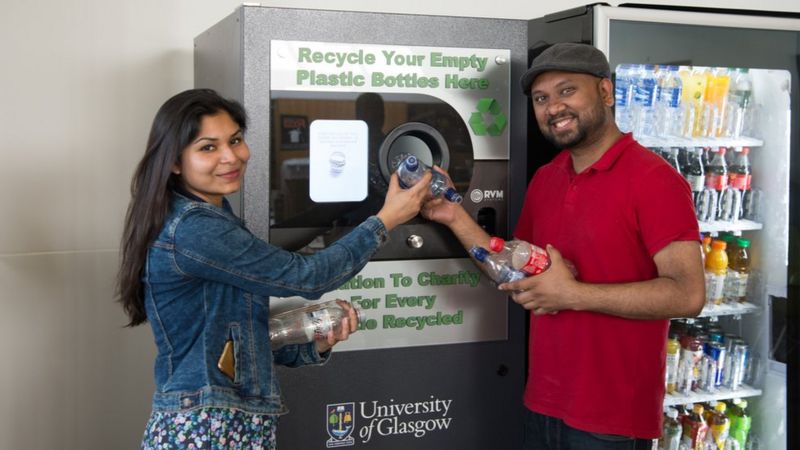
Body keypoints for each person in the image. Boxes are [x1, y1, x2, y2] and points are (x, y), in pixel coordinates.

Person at [421, 43, 705, 449]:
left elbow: (688, 293)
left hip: (611, 420)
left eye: (567, 91)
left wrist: (573, 295)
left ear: (606, 92)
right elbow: (515, 265)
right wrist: (453, 214)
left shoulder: (655, 181)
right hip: (543, 403)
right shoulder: (548, 178)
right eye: (541, 98)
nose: (553, 107)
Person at [116, 88, 430, 449]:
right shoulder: (194, 229)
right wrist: (386, 220)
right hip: (205, 429)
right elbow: (308, 278)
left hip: (228, 423)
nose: (230, 157)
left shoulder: (210, 218)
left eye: (235, 140)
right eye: (208, 147)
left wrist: (312, 344)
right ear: (174, 161)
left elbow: (233, 340)